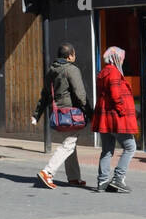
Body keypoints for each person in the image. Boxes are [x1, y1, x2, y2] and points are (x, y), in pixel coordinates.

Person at [31, 43, 89, 189]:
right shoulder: (72, 69)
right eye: (74, 54)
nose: (75, 56)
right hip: (71, 114)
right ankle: (48, 172)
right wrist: (90, 112)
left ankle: (74, 177)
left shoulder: (51, 71)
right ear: (70, 56)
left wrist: (36, 115)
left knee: (70, 143)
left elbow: (44, 95)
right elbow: (80, 94)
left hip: (58, 114)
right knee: (69, 144)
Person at [92, 46, 138, 193]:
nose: (123, 60)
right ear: (116, 58)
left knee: (107, 150)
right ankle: (118, 178)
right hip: (115, 118)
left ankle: (102, 181)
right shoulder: (114, 72)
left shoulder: (103, 72)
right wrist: (122, 110)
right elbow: (115, 94)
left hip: (104, 118)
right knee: (130, 147)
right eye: (121, 57)